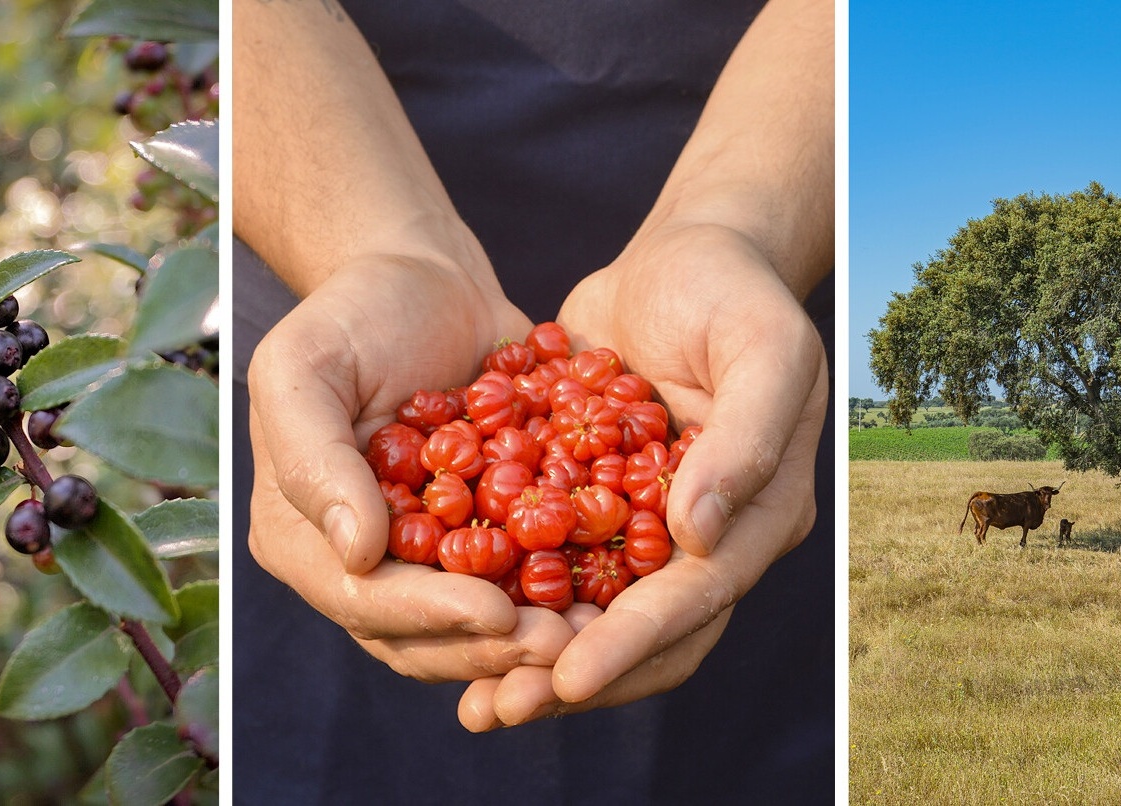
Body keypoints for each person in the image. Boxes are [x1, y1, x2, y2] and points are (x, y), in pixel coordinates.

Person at [231, 0, 833, 801]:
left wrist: (740, 229)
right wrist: (368, 248)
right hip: (336, 342)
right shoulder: (506, 452)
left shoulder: (563, 450)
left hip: (748, 331)